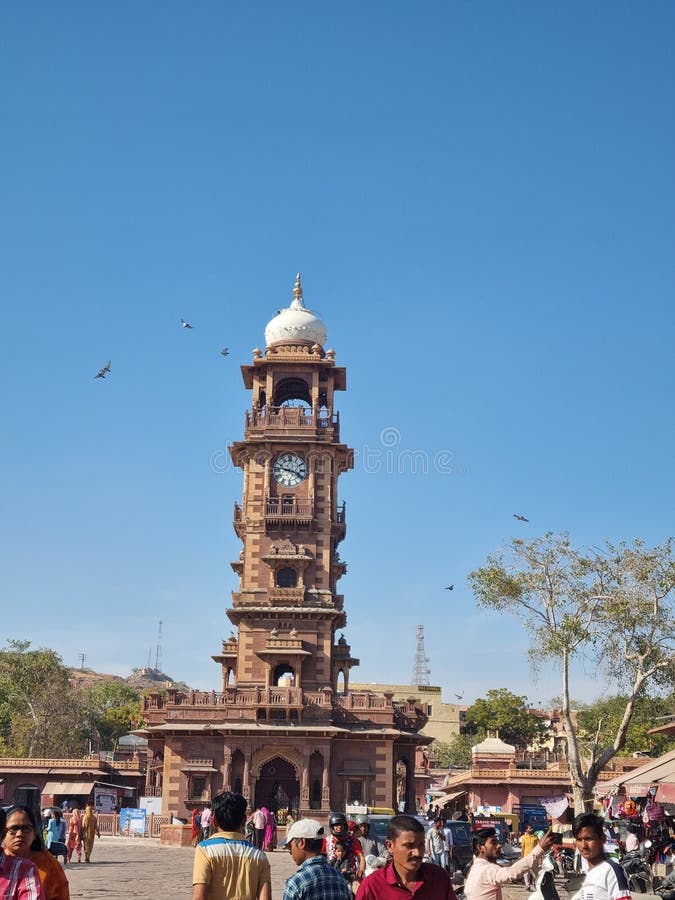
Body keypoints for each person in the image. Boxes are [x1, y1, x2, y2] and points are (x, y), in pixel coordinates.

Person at [192, 791, 271, 900]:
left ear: (214, 821)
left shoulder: (205, 850)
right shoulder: (259, 856)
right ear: (244, 820)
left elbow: (199, 897)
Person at [356, 814, 456, 899]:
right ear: (390, 846)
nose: (417, 853)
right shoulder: (371, 887)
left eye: (421, 845)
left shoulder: (439, 879)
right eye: (409, 846)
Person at [464, 826, 555, 900]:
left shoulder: (476, 867)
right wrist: (540, 848)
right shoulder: (485, 869)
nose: (499, 846)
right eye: (493, 843)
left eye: (498, 842)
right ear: (480, 848)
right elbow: (511, 873)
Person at [2, 806, 66, 900]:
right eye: (14, 829)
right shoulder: (2, 861)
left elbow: (62, 894)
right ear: (3, 832)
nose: (19, 834)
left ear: (34, 833)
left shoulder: (48, 864)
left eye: (26, 828)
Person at [283, 818, 351, 900]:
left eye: (290, 847)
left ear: (302, 843)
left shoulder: (296, 883)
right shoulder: (340, 878)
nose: (291, 852)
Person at [573, 813, 631, 900]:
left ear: (602, 839)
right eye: (579, 840)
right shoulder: (590, 873)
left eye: (588, 839)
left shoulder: (612, 871)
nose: (583, 845)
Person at [325, 812, 365, 882]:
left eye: (341, 825)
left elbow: (361, 857)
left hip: (350, 876)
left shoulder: (353, 841)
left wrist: (361, 870)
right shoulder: (327, 840)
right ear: (332, 827)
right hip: (330, 875)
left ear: (345, 826)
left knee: (357, 887)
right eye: (336, 825)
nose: (339, 827)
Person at [520, 824, 539, 890]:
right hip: (526, 857)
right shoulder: (524, 837)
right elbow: (523, 848)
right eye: (529, 828)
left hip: (534, 857)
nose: (531, 829)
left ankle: (536, 885)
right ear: (526, 830)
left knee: (535, 872)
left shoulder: (535, 837)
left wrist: (539, 857)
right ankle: (527, 885)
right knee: (526, 872)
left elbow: (538, 847)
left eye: (531, 828)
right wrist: (521, 857)